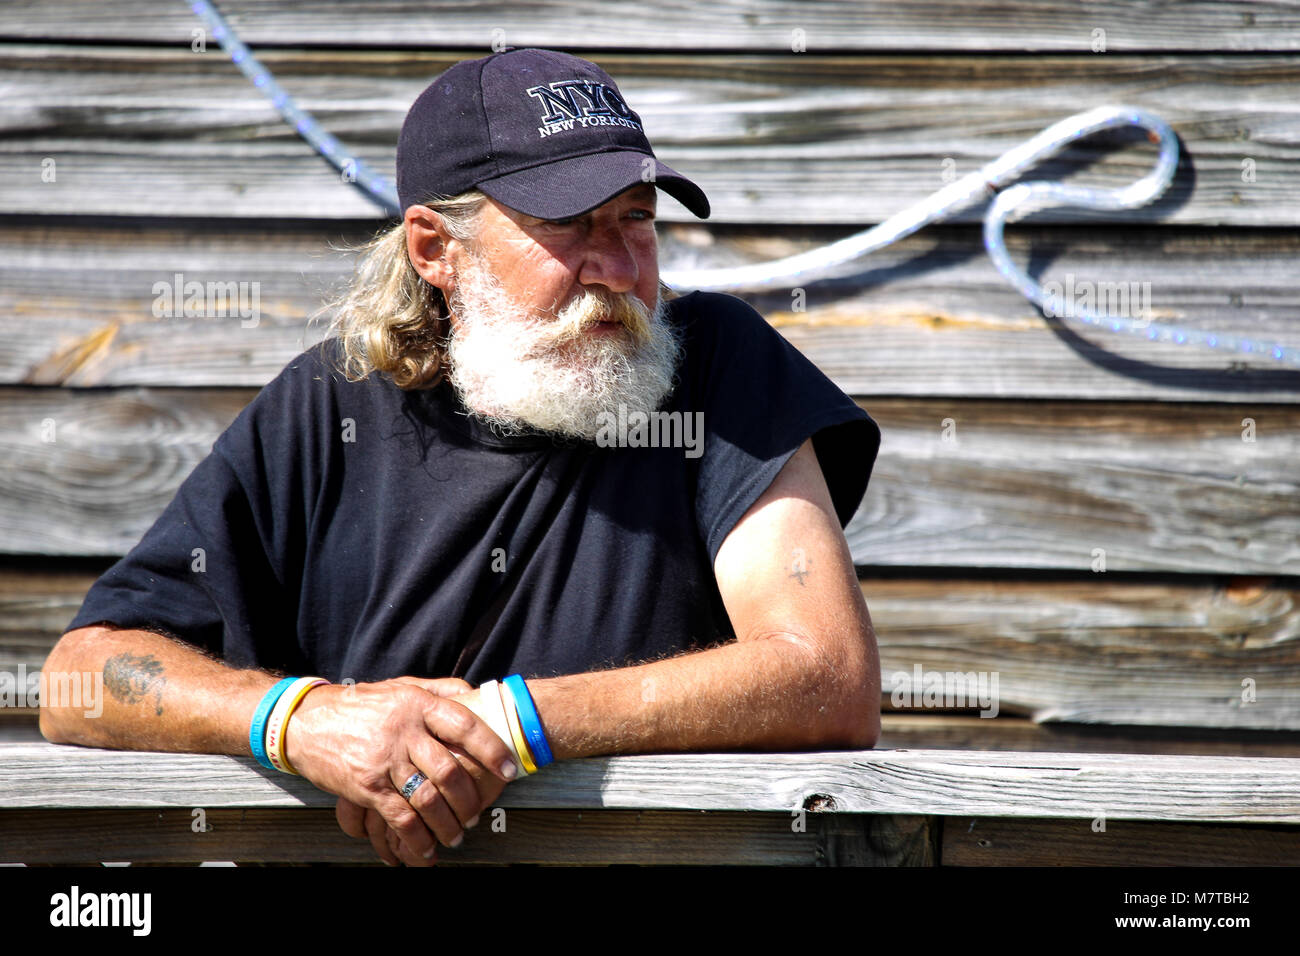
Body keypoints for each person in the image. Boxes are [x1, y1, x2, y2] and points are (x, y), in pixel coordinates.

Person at [40, 48, 882, 866]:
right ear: (435, 249)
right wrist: (303, 722)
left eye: (637, 218)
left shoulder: (721, 365)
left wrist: (507, 727)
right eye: (570, 224)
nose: (622, 270)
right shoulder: (329, 406)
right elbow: (80, 678)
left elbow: (828, 675)